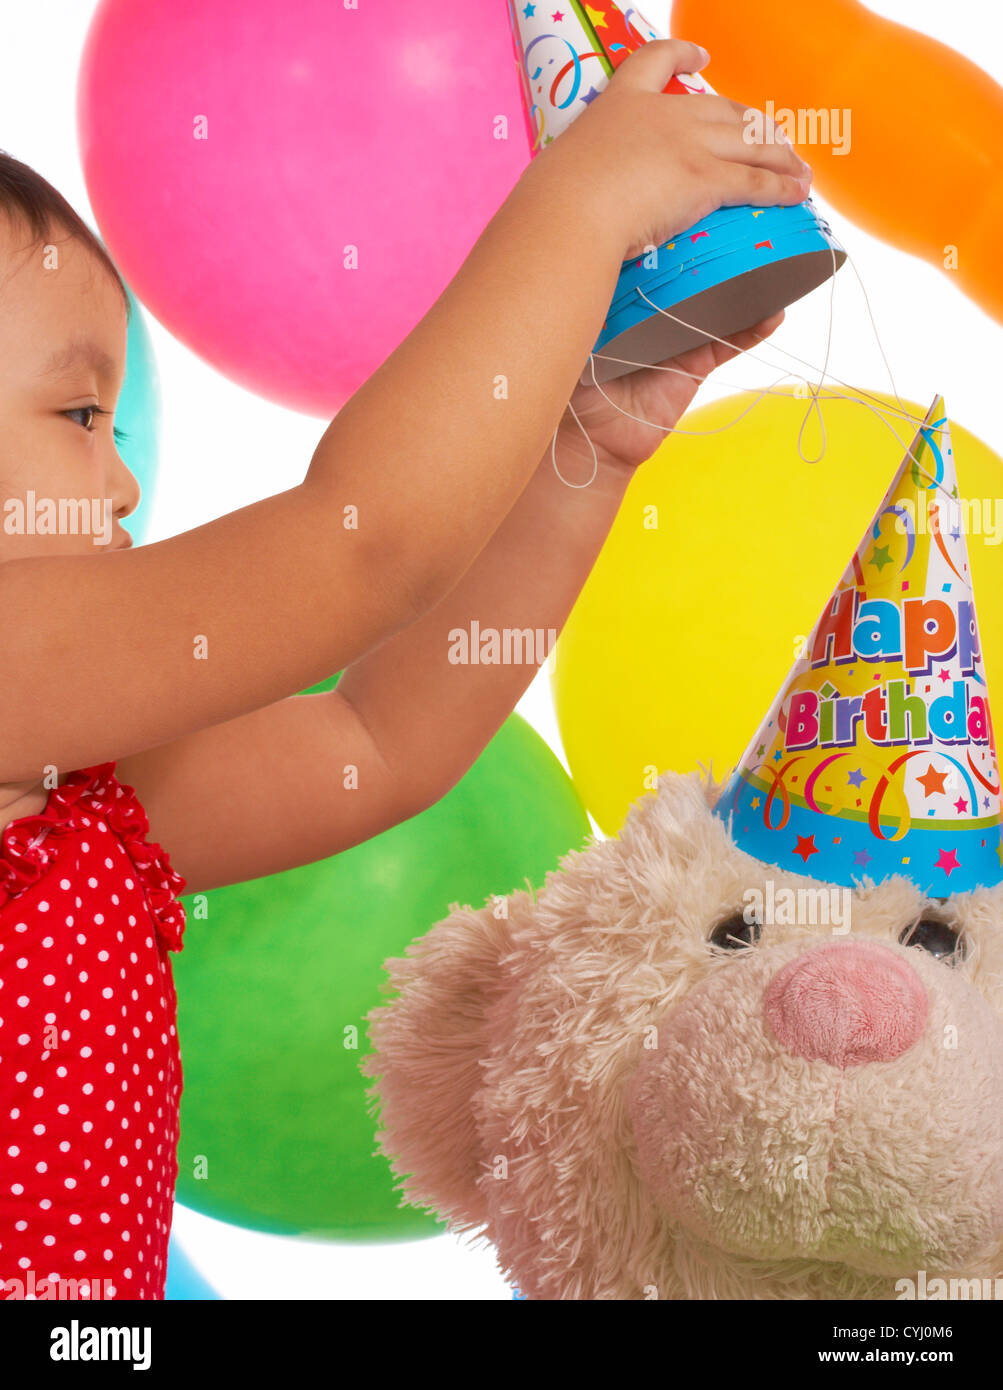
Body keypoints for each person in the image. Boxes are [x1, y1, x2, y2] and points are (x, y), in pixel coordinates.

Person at [0, 38, 811, 1299]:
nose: (124, 477)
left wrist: (587, 443)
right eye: (74, 416)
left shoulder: (80, 811)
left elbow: (380, 739)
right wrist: (579, 204)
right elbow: (361, 547)